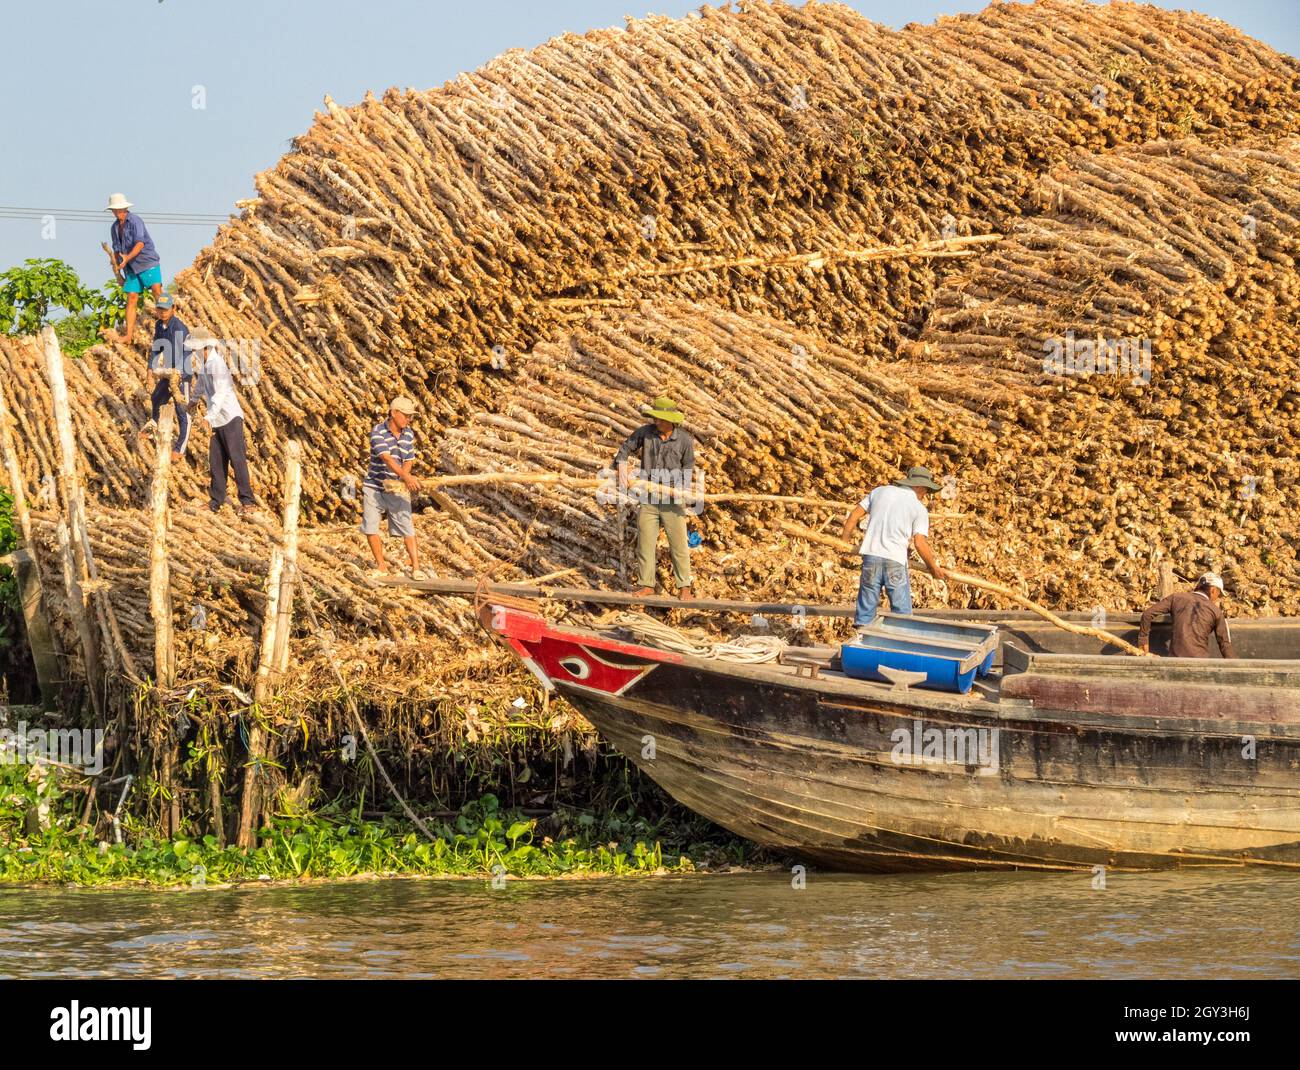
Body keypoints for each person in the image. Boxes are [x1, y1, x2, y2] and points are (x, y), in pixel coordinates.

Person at [840, 465, 947, 628]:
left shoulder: (880, 492)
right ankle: (900, 646)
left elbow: (854, 516)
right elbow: (919, 542)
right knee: (901, 613)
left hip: (871, 558)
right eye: (926, 490)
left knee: (865, 613)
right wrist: (933, 568)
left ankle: (861, 643)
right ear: (918, 486)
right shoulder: (919, 509)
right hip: (895, 561)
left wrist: (844, 543)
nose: (925, 494)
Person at [612, 396, 697, 600]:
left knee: (678, 545)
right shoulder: (645, 434)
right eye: (655, 419)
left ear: (670, 420)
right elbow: (624, 450)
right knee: (646, 542)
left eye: (660, 419)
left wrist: (681, 490)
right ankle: (646, 584)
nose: (656, 422)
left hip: (672, 500)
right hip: (649, 498)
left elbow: (688, 466)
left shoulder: (684, 440)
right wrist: (622, 467)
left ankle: (684, 586)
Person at [188, 332, 256, 515]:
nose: (194, 353)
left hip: (229, 418)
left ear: (205, 349)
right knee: (216, 461)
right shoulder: (206, 364)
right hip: (217, 419)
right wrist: (193, 400)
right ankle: (215, 501)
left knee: (237, 459)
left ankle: (247, 501)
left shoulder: (217, 365)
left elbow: (220, 393)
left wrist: (208, 417)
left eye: (196, 350)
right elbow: (201, 384)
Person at [362, 397, 428, 579]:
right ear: (393, 413)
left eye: (410, 416)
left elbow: (408, 459)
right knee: (371, 526)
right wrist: (407, 477)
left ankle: (416, 568)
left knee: (407, 526)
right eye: (406, 416)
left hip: (396, 486)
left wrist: (402, 479)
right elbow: (387, 458)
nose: (409, 419)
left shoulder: (408, 434)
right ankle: (381, 567)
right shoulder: (378, 432)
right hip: (374, 486)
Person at [102, 193, 163, 344]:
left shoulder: (136, 221)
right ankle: (128, 335)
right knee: (132, 298)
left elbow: (140, 243)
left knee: (156, 290)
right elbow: (117, 250)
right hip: (130, 268)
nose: (117, 212)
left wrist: (127, 258)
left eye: (120, 209)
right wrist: (118, 267)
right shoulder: (114, 228)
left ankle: (167, 322)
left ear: (125, 208)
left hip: (147, 262)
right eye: (115, 210)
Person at [1138, 572, 1236, 658]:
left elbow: (1147, 614)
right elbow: (1225, 644)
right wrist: (1236, 667)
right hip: (1201, 663)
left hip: (1175, 662)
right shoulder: (1216, 611)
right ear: (1213, 590)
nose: (1216, 598)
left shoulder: (1176, 598)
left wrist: (1143, 640)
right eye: (1218, 594)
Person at [146, 294, 190, 462]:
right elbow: (156, 349)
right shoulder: (159, 326)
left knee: (182, 411)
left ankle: (180, 448)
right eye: (160, 309)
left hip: (182, 372)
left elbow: (186, 352)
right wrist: (150, 368)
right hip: (169, 370)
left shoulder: (178, 327)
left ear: (173, 309)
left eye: (166, 309)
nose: (162, 313)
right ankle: (154, 427)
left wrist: (179, 373)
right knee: (157, 397)